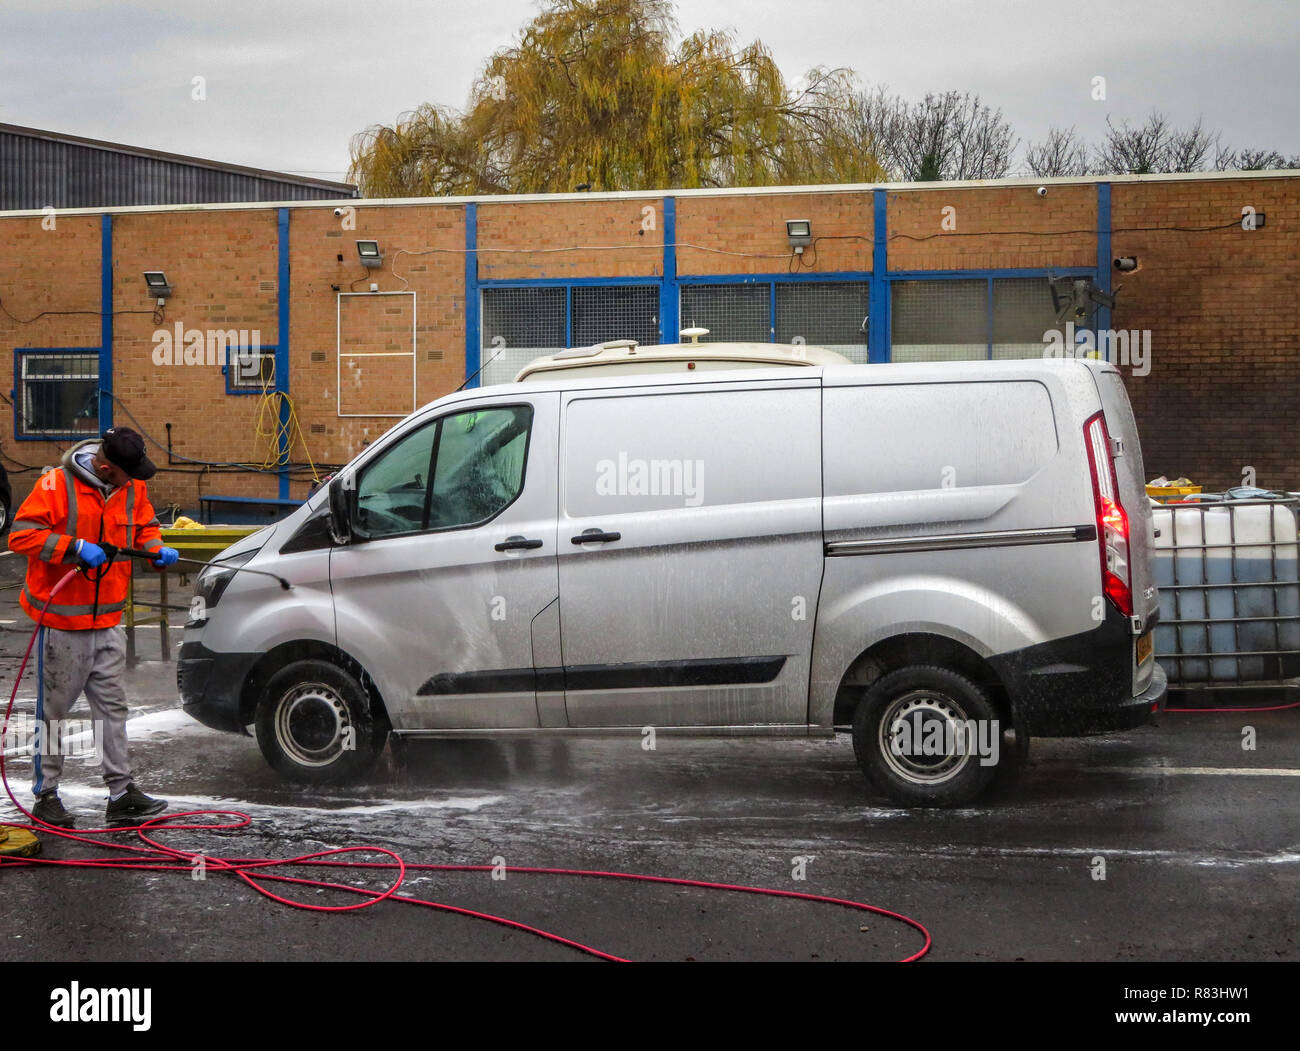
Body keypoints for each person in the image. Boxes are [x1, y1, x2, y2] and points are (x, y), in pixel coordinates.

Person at [7, 427, 179, 828]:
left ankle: (121, 793)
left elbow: (145, 526)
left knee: (112, 710)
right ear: (104, 467)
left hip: (107, 622)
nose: (134, 482)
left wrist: (155, 549)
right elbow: (21, 535)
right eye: (126, 474)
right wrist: (73, 548)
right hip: (62, 623)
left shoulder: (131, 488)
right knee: (53, 714)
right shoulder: (55, 485)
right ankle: (46, 796)